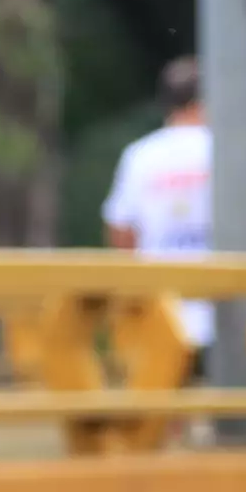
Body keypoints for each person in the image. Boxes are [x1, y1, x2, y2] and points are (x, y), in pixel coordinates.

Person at [102, 56, 215, 355]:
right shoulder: (226, 150)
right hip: (223, 310)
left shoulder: (140, 155)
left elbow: (121, 232)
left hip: (159, 312)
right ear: (202, 101)